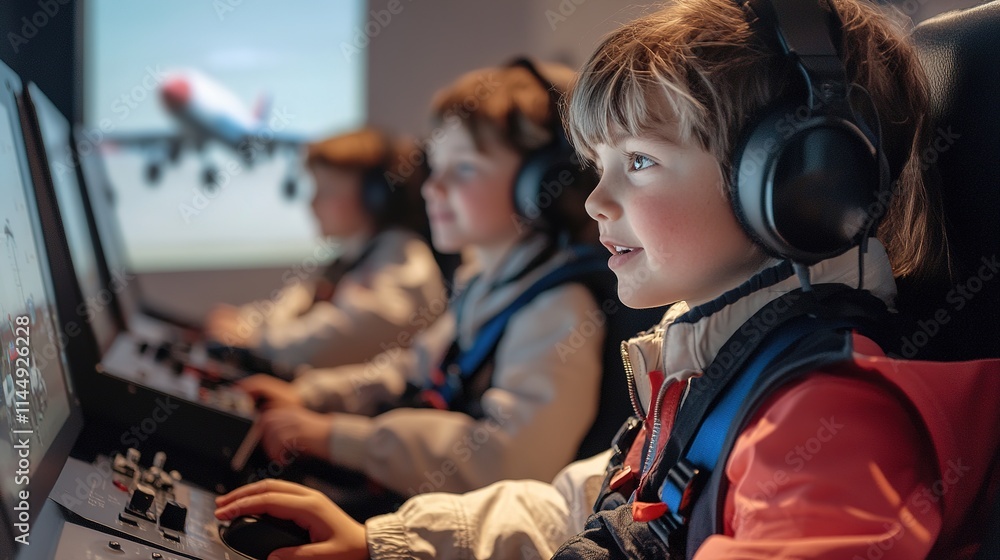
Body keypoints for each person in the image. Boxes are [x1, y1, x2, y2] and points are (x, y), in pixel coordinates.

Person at [214, 1, 1000, 558]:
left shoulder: (829, 418)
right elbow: (591, 505)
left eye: (641, 162)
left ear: (800, 183)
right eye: (599, 165)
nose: (594, 200)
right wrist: (389, 545)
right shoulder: (705, 364)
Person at [235, 59, 607, 503]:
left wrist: (342, 438)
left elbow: (508, 460)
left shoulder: (558, 307)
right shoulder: (486, 282)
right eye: (435, 166)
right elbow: (412, 370)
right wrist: (311, 395)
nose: (433, 187)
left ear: (545, 183)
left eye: (464, 168)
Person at [203, 128, 446, 372]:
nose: (312, 202)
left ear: (375, 197)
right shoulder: (355, 255)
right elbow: (298, 306)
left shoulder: (403, 256)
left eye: (327, 191)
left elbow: (353, 332)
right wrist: (245, 324)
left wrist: (260, 342)